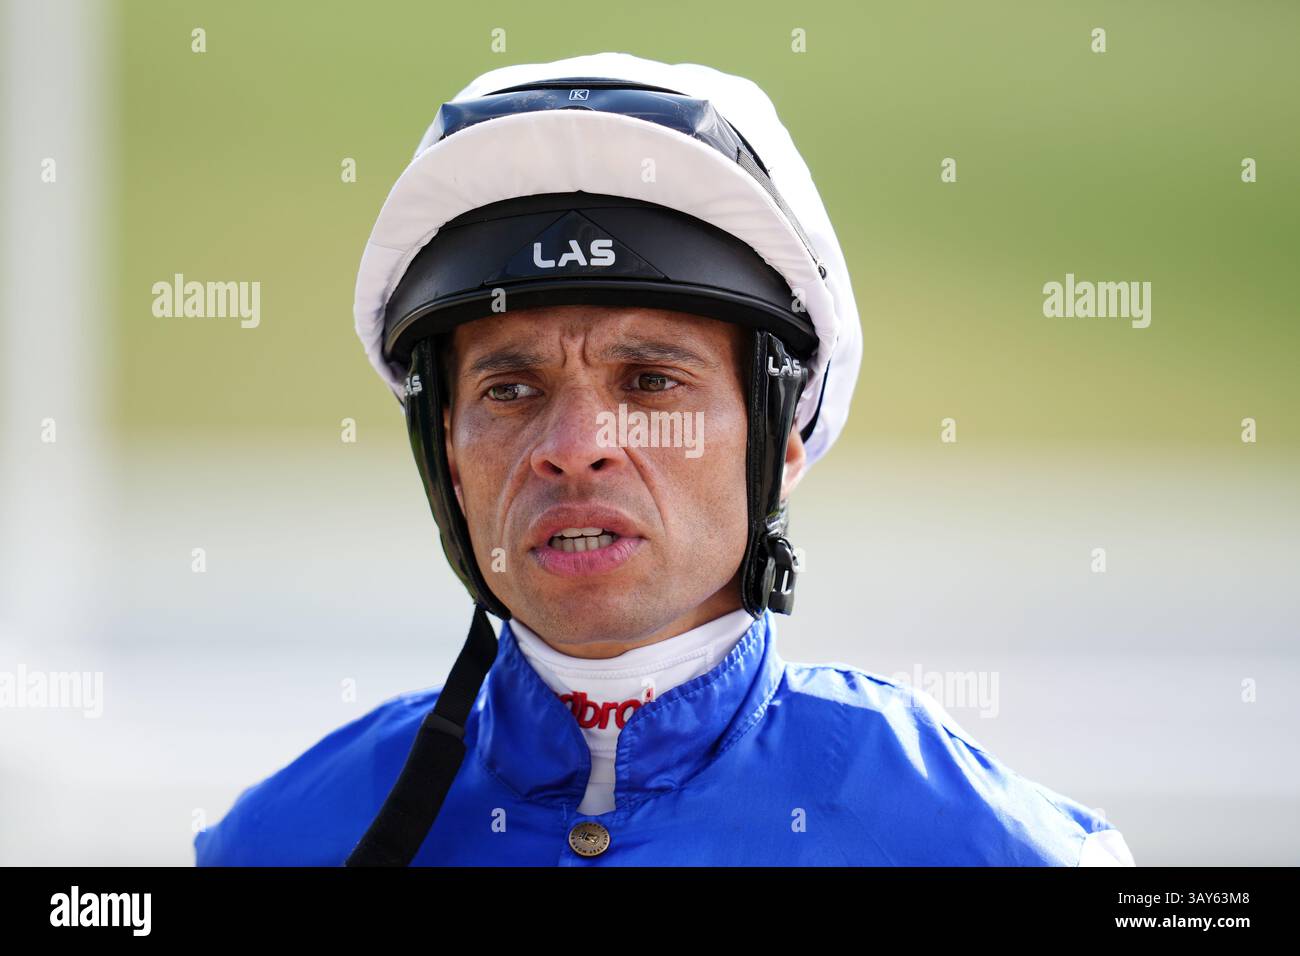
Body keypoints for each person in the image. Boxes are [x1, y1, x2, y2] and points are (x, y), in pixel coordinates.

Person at [194, 52, 1134, 866]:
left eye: (650, 383)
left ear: (784, 438)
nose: (573, 451)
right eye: (509, 390)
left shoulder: (988, 847)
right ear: (444, 450)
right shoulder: (280, 841)